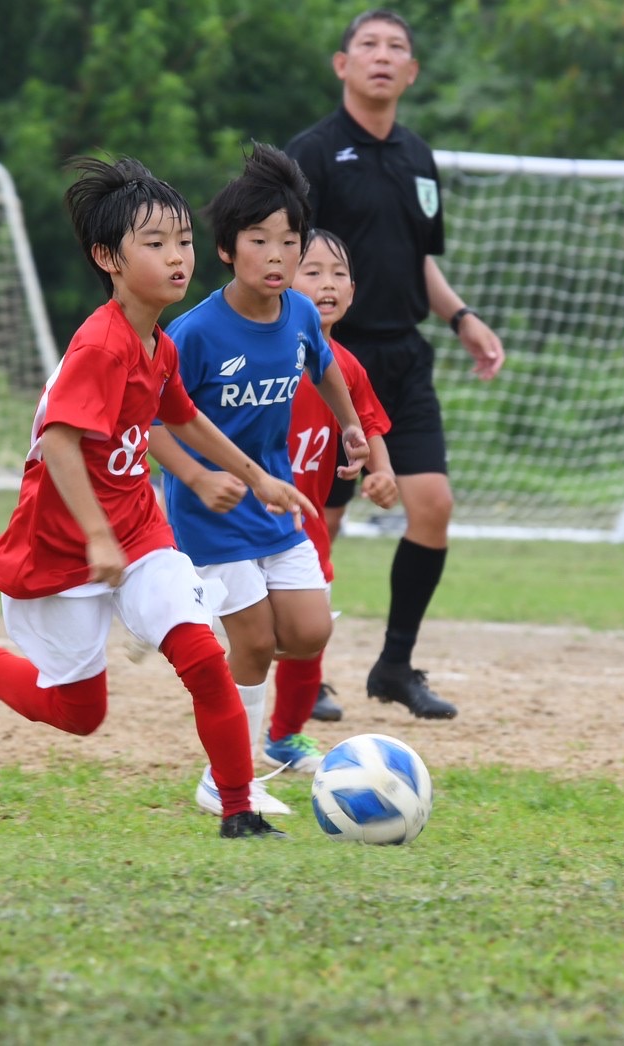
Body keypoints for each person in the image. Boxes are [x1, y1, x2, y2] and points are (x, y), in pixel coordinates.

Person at [0, 154, 318, 840]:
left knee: (201, 655)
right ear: (108, 258)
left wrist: (257, 478)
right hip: (60, 551)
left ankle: (237, 809)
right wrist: (96, 537)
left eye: (185, 242)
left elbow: (186, 419)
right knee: (78, 714)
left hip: (139, 535)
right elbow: (59, 444)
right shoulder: (101, 346)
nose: (178, 258)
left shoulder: (156, 344)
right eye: (156, 244)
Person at [284, 8, 506, 721]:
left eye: (397, 48)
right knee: (322, 521)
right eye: (368, 45)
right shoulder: (312, 154)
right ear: (341, 64)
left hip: (405, 356)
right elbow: (278, 255)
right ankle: (304, 675)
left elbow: (419, 261)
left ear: (411, 73)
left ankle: (395, 665)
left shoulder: (418, 157)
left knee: (432, 505)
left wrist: (463, 318)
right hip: (328, 361)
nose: (383, 56)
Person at [148, 144, 370, 808]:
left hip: (274, 502)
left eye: (290, 241)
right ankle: (226, 780)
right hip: (209, 512)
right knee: (254, 641)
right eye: (259, 240)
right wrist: (194, 476)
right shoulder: (195, 334)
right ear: (225, 249)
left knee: (307, 632)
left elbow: (323, 362)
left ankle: (189, 632)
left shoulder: (300, 314)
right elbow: (155, 424)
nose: (278, 255)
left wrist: (350, 423)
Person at [266, 229, 396, 755]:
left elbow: (368, 425)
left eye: (338, 273)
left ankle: (284, 738)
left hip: (306, 526)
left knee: (311, 637)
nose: (328, 284)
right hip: (242, 515)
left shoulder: (345, 366)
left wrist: (379, 472)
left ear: (353, 289)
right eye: (313, 271)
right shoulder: (261, 353)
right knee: (239, 629)